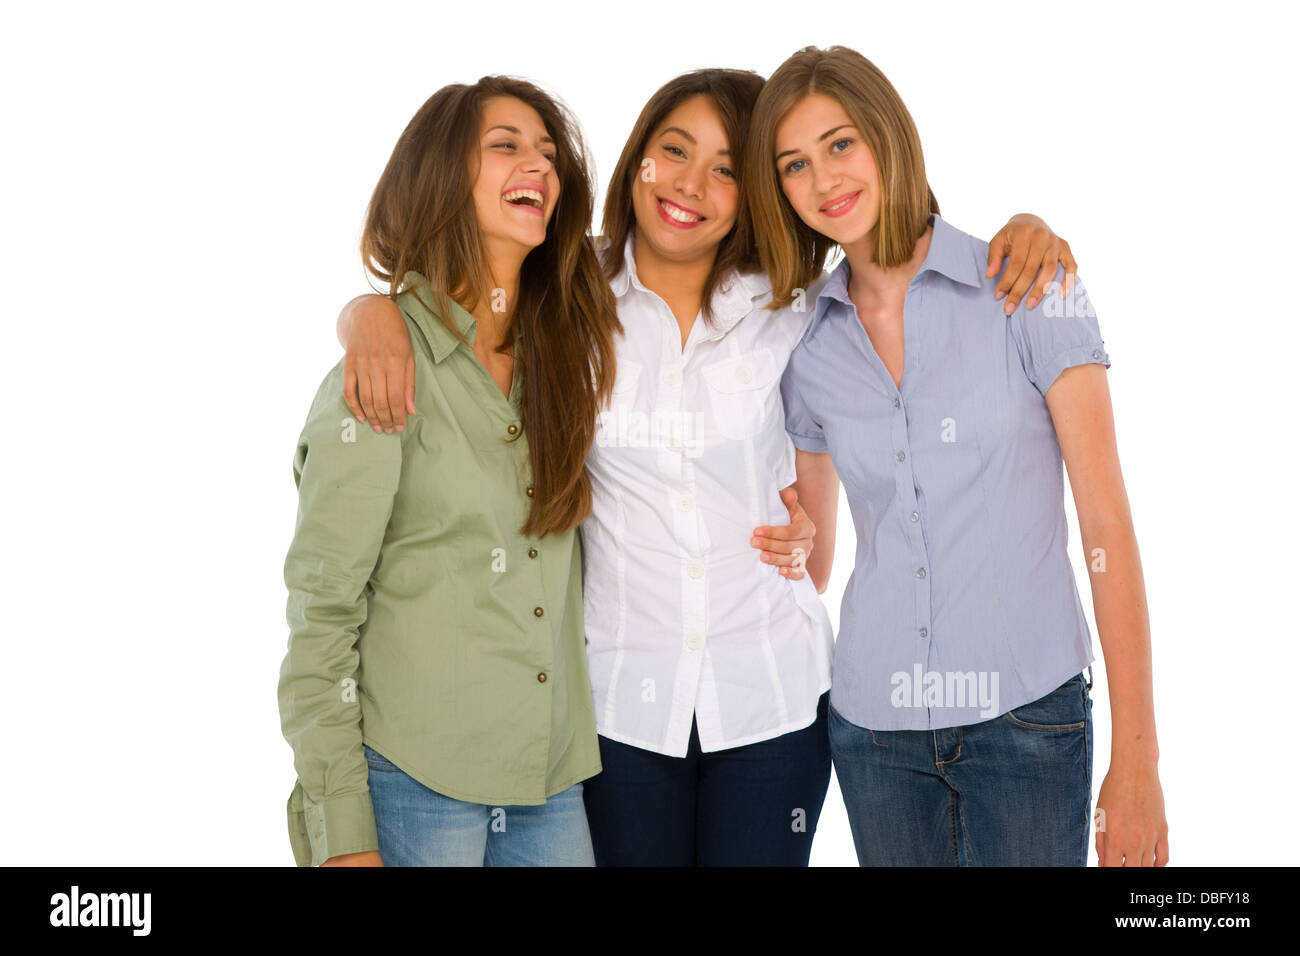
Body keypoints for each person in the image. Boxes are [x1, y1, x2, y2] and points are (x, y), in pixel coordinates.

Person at [338, 69, 1075, 865]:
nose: (691, 184)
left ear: (753, 192)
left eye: (726, 169)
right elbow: (461, 299)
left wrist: (1026, 227)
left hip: (773, 704)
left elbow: (886, 271)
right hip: (621, 709)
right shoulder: (568, 295)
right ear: (636, 162)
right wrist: (369, 312)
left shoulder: (793, 308)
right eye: (673, 151)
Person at [746, 45, 1168, 866]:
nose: (824, 179)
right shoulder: (807, 345)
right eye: (795, 164)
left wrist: (1140, 760)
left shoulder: (1029, 284)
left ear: (888, 134)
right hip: (874, 733)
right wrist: (793, 540)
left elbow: (1107, 523)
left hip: (1027, 720)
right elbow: (821, 556)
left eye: (841, 143)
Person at [277, 76, 621, 866]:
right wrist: (340, 834)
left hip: (551, 778)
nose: (536, 165)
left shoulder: (565, 358)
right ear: (438, 178)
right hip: (412, 783)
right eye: (505, 146)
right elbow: (322, 612)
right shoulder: (383, 373)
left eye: (547, 152)